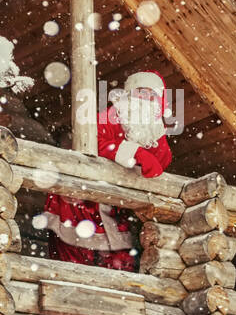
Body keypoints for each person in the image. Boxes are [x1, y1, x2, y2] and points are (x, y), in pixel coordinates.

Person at [41, 70, 173, 270]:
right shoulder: (108, 117)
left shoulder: (152, 129)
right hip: (79, 205)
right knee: (74, 264)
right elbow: (90, 141)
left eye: (152, 95)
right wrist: (134, 152)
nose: (145, 99)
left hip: (114, 211)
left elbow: (161, 160)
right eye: (141, 93)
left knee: (119, 266)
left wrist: (155, 130)